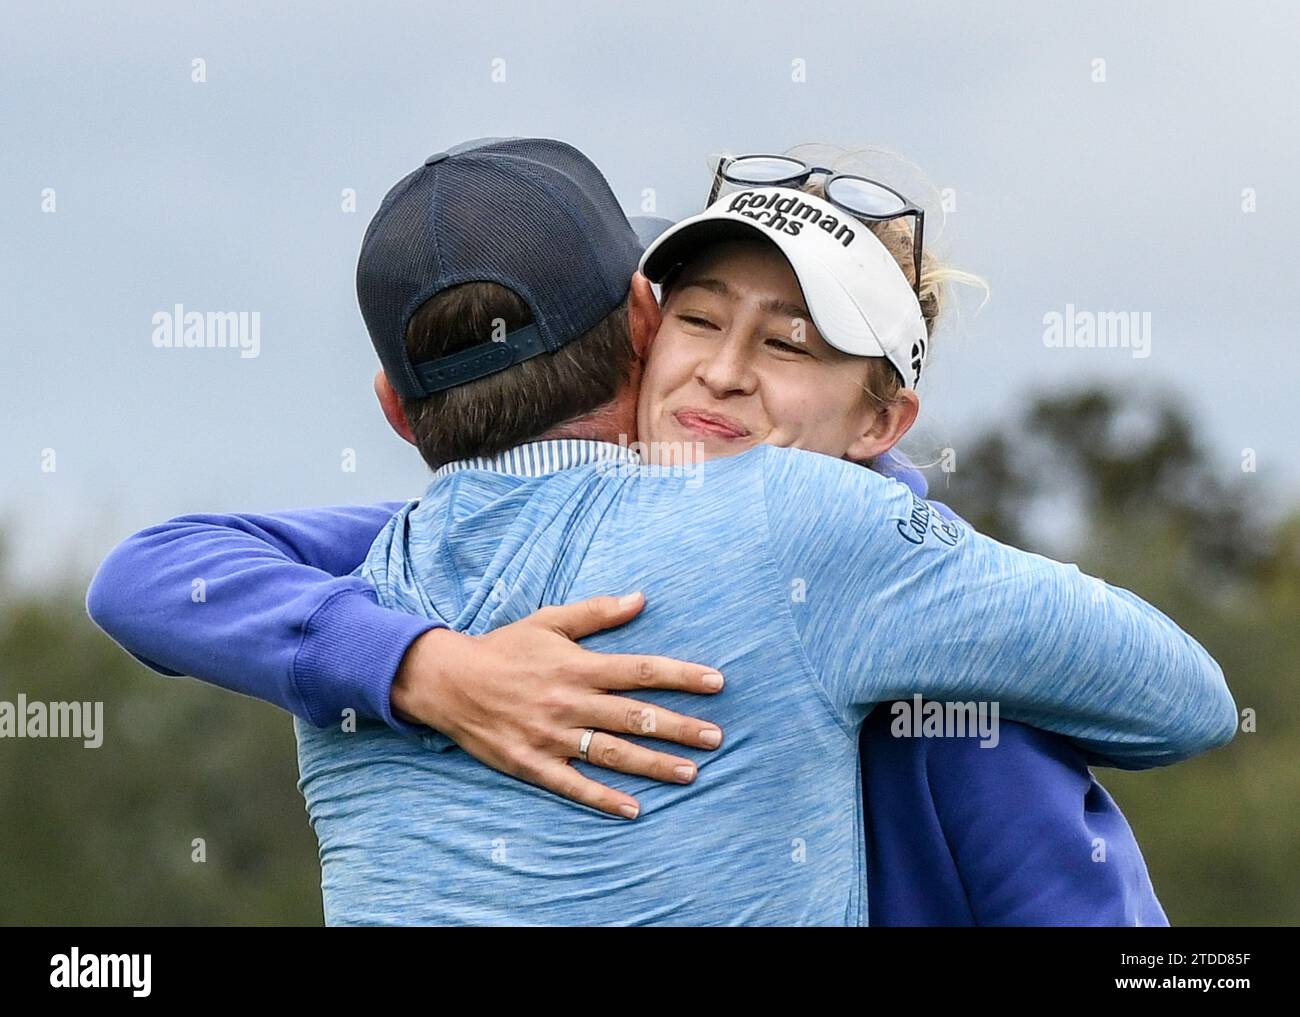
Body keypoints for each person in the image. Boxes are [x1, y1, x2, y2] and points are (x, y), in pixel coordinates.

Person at [89, 138, 1226, 924]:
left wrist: (873, 530)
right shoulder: (425, 555)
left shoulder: (946, 650)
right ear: (641, 329)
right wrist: (431, 668)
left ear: (883, 421)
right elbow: (151, 570)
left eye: (790, 345)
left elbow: (1180, 718)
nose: (725, 374)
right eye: (698, 319)